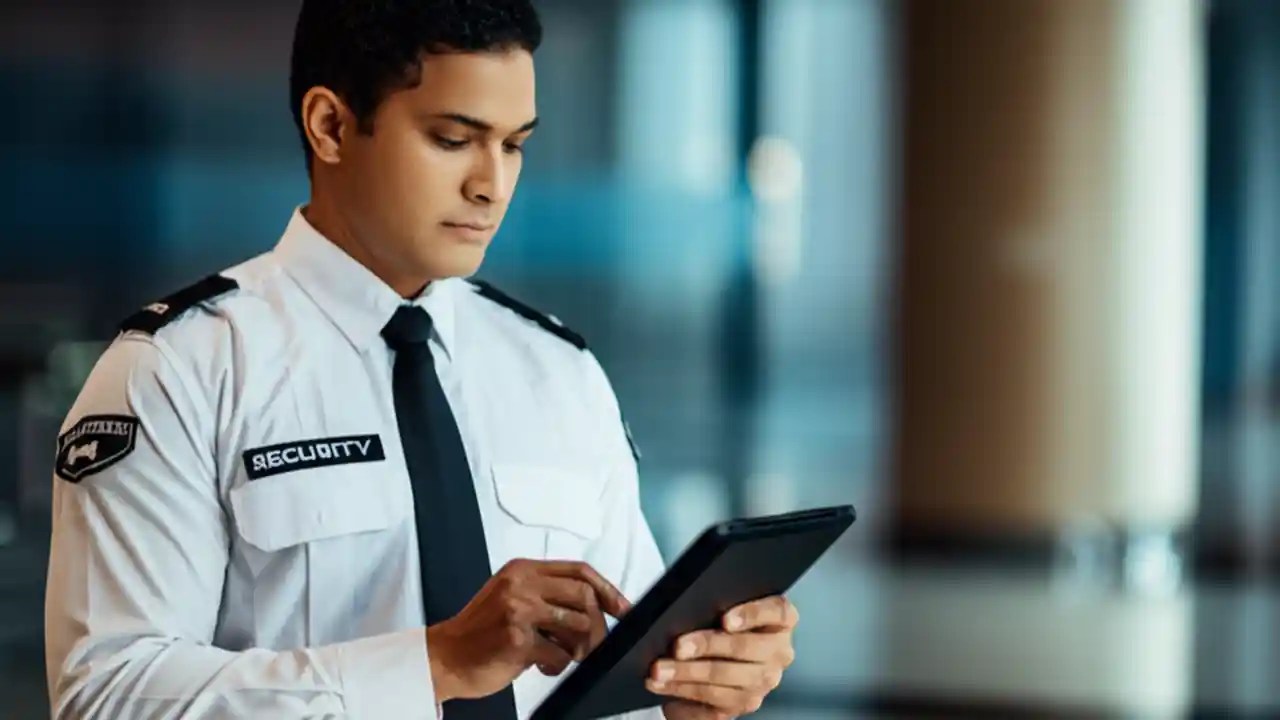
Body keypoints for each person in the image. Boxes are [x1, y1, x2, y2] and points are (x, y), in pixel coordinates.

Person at [43, 1, 799, 718]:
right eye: (452, 138)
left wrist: (691, 684)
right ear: (331, 125)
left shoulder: (560, 373)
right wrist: (433, 663)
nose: (491, 185)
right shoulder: (178, 371)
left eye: (514, 145)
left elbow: (618, 674)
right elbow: (107, 694)